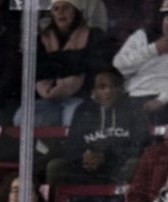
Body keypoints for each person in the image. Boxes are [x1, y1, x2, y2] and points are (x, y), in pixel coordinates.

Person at [46, 69, 147, 186]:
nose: (108, 91)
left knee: (134, 164)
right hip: (87, 168)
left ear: (121, 89)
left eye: (113, 86)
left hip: (118, 167)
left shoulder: (133, 110)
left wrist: (106, 157)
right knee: (56, 167)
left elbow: (140, 146)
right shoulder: (83, 110)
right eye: (102, 87)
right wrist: (84, 156)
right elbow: (71, 146)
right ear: (94, 92)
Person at [30, 0, 114, 128]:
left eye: (66, 7)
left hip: (81, 98)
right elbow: (38, 71)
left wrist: (56, 61)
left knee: (72, 118)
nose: (60, 12)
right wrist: (73, 60)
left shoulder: (93, 35)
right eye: (56, 9)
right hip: (49, 99)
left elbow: (95, 68)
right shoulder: (42, 39)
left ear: (76, 11)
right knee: (22, 117)